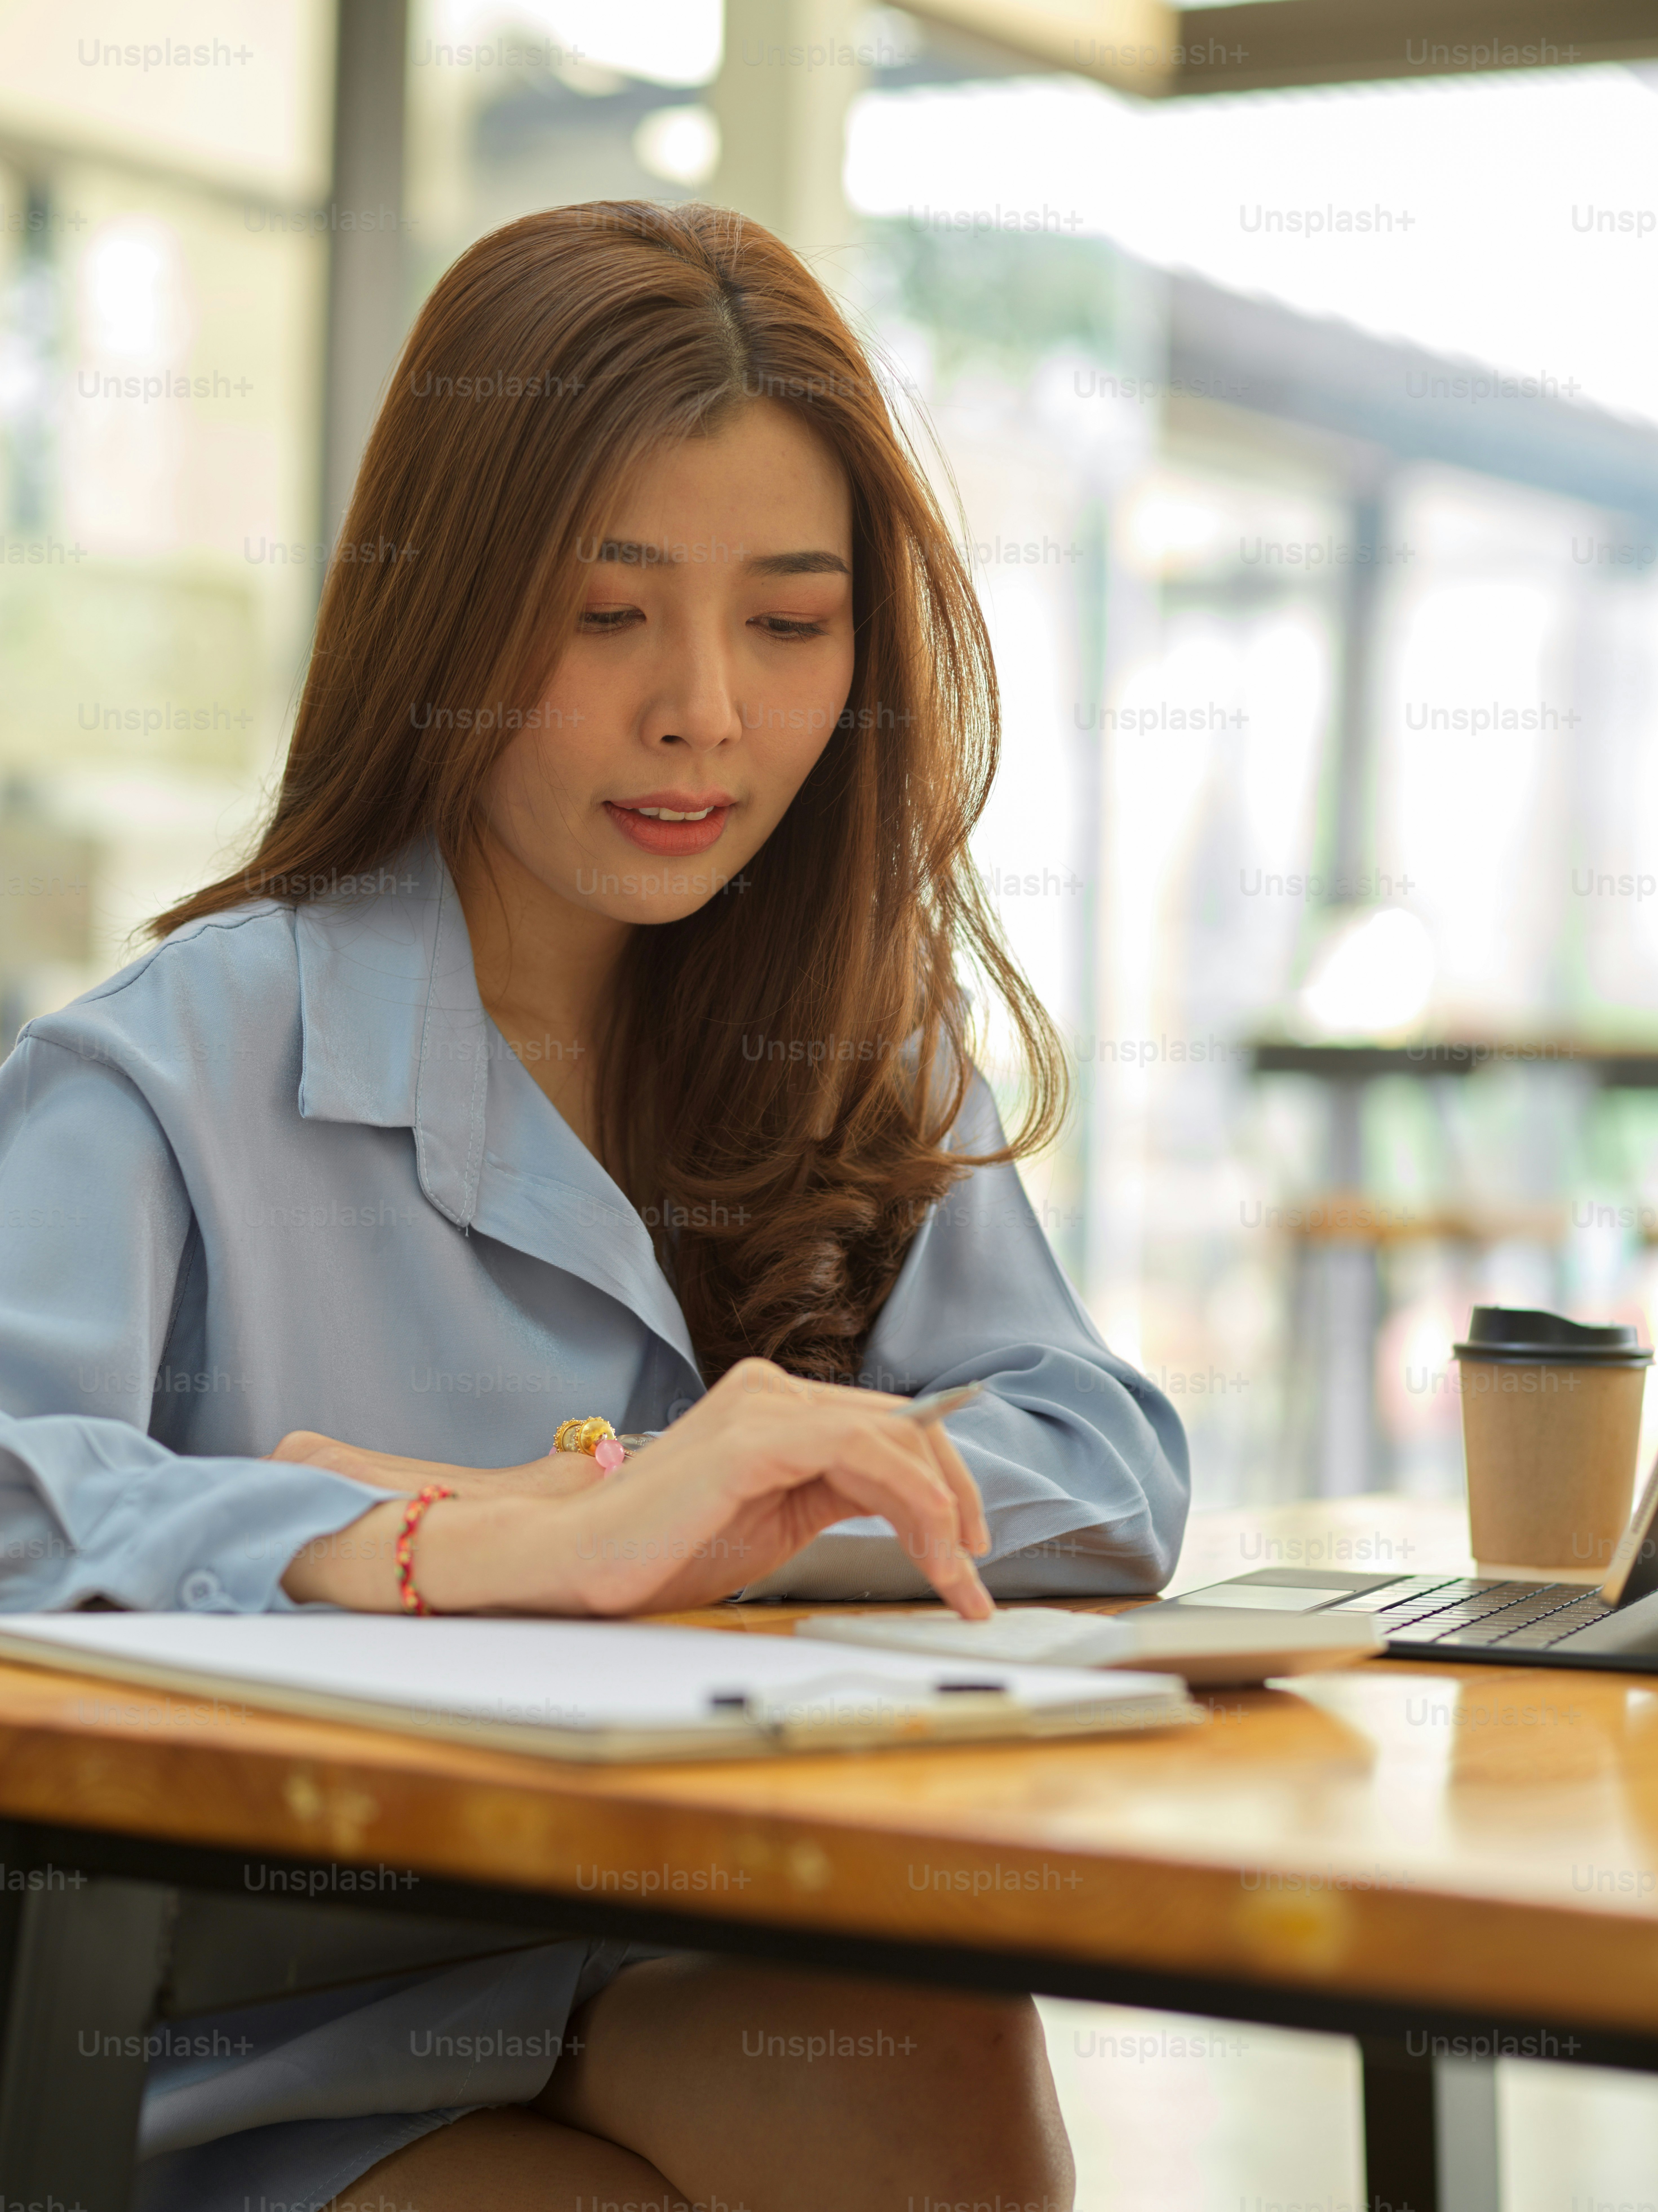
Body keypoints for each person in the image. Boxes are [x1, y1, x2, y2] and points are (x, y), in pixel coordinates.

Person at [0, 201, 1189, 2212]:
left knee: (934, 2047)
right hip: (227, 2043)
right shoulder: (167, 1068)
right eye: (604, 612)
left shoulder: (857, 1045)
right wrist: (449, 1547)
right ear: (449, 613)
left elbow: (1101, 1460)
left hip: (624, 1945)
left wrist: (672, 1513)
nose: (703, 708)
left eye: (789, 625)